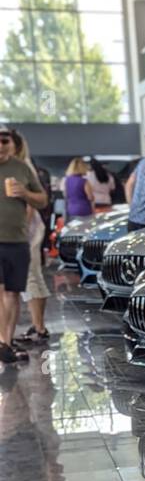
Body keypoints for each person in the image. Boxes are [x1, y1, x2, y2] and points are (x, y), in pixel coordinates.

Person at [0, 124, 49, 365]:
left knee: (13, 292)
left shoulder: (22, 168)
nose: (1, 145)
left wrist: (25, 195)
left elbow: (41, 200)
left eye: (4, 140)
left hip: (17, 240)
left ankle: (6, 344)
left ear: (12, 143)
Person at [14, 132, 50, 345]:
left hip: (26, 230)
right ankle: (38, 327)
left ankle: (39, 328)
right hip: (25, 229)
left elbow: (29, 203)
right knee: (32, 276)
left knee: (31, 278)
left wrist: (22, 229)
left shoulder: (21, 166)